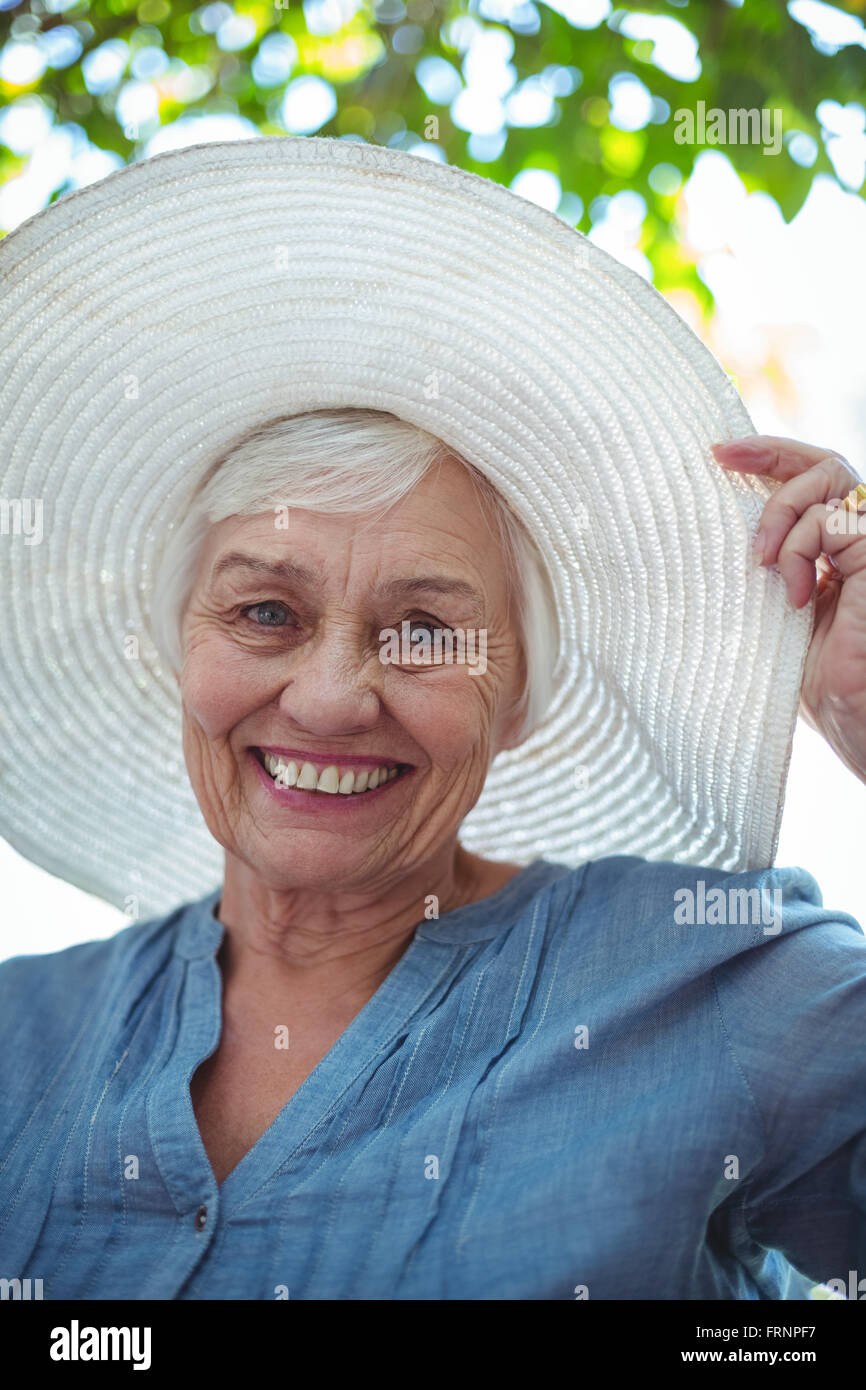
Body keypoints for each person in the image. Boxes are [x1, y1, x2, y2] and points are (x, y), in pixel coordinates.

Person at [0, 137, 864, 1301]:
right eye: (264, 609)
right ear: (181, 647)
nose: (327, 695)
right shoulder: (21, 1038)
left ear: (514, 698)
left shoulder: (712, 982)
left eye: (422, 630)